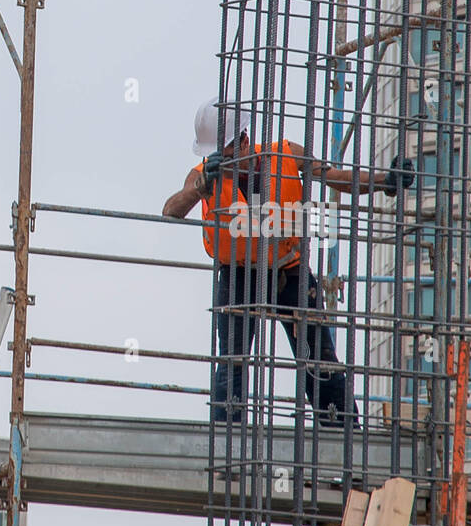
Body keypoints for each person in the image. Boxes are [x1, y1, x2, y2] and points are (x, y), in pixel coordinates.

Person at [162, 98, 413, 428]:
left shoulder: (286, 154)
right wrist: (200, 187)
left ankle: (341, 432)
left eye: (224, 151)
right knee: (232, 361)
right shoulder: (203, 176)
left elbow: (335, 177)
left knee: (318, 358)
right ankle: (227, 434)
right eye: (213, 153)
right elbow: (171, 211)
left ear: (244, 140)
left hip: (288, 271)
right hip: (237, 276)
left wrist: (385, 181)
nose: (218, 159)